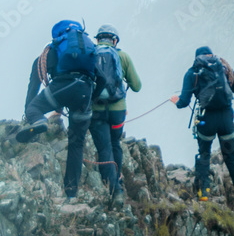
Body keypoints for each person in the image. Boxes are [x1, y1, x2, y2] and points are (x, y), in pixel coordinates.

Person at [18, 20, 96, 201]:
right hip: (85, 93)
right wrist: (88, 101)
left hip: (61, 89)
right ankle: (71, 193)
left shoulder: (52, 51)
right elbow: (100, 79)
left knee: (35, 108)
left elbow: (34, 83)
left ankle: (40, 121)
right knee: (76, 144)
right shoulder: (89, 49)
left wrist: (30, 113)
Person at [171, 47, 234, 211]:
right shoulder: (224, 68)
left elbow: (184, 102)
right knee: (232, 158)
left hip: (206, 119)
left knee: (204, 154)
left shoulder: (193, 72)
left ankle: (204, 193)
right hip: (226, 119)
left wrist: (175, 101)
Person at [90, 24, 142, 206]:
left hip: (96, 110)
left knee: (104, 149)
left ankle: (114, 191)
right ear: (115, 40)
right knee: (115, 144)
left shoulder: (90, 54)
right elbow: (137, 86)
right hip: (118, 110)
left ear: (97, 39)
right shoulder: (123, 57)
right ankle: (117, 181)